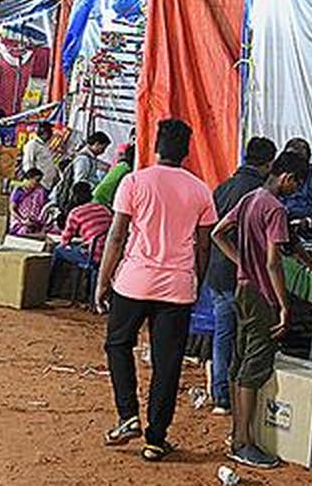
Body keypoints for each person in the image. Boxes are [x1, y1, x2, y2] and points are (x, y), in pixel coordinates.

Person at [95, 119, 216, 463]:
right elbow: (203, 248)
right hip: (177, 289)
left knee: (118, 344)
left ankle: (127, 414)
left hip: (133, 281)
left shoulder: (134, 181)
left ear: (156, 147)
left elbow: (116, 236)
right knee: (168, 363)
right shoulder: (200, 190)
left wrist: (104, 281)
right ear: (187, 152)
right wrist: (195, 280)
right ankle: (156, 439)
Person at [211, 150, 310, 469]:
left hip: (242, 288)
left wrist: (241, 262)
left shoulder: (251, 198)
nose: (296, 190)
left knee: (240, 364)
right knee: (254, 366)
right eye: (297, 184)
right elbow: (272, 261)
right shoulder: (275, 209)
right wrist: (283, 305)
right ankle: (243, 442)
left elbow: (218, 234)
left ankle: (238, 434)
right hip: (262, 296)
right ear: (287, 178)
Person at [207, 137, 278, 415]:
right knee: (243, 336)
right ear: (269, 163)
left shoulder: (224, 187)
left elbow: (213, 231)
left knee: (225, 334)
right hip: (239, 276)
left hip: (218, 270)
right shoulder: (258, 193)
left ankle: (222, 394)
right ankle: (230, 395)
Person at [50, 181, 112, 301]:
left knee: (58, 251)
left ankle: (51, 289)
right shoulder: (104, 209)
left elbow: (65, 240)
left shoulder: (76, 213)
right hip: (109, 253)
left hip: (94, 255)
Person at [52, 131, 112, 225]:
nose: (103, 151)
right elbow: (79, 181)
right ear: (96, 144)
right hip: (76, 198)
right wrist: (94, 185)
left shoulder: (90, 159)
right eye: (103, 148)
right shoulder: (83, 159)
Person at [9, 168, 50, 237]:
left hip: (34, 221)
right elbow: (12, 209)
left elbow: (44, 207)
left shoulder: (40, 191)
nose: (38, 183)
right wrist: (22, 220)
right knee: (24, 230)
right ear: (30, 178)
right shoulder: (19, 190)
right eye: (36, 180)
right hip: (20, 222)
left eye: (39, 180)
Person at [93, 142, 135, 208]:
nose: (119, 157)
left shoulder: (122, 168)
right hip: (102, 203)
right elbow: (103, 188)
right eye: (120, 154)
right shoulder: (123, 167)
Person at [22, 121, 59, 190]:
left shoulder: (45, 146)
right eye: (49, 131)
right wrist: (33, 181)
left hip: (48, 184)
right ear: (44, 133)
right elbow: (28, 164)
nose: (51, 133)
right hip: (39, 185)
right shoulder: (32, 144)